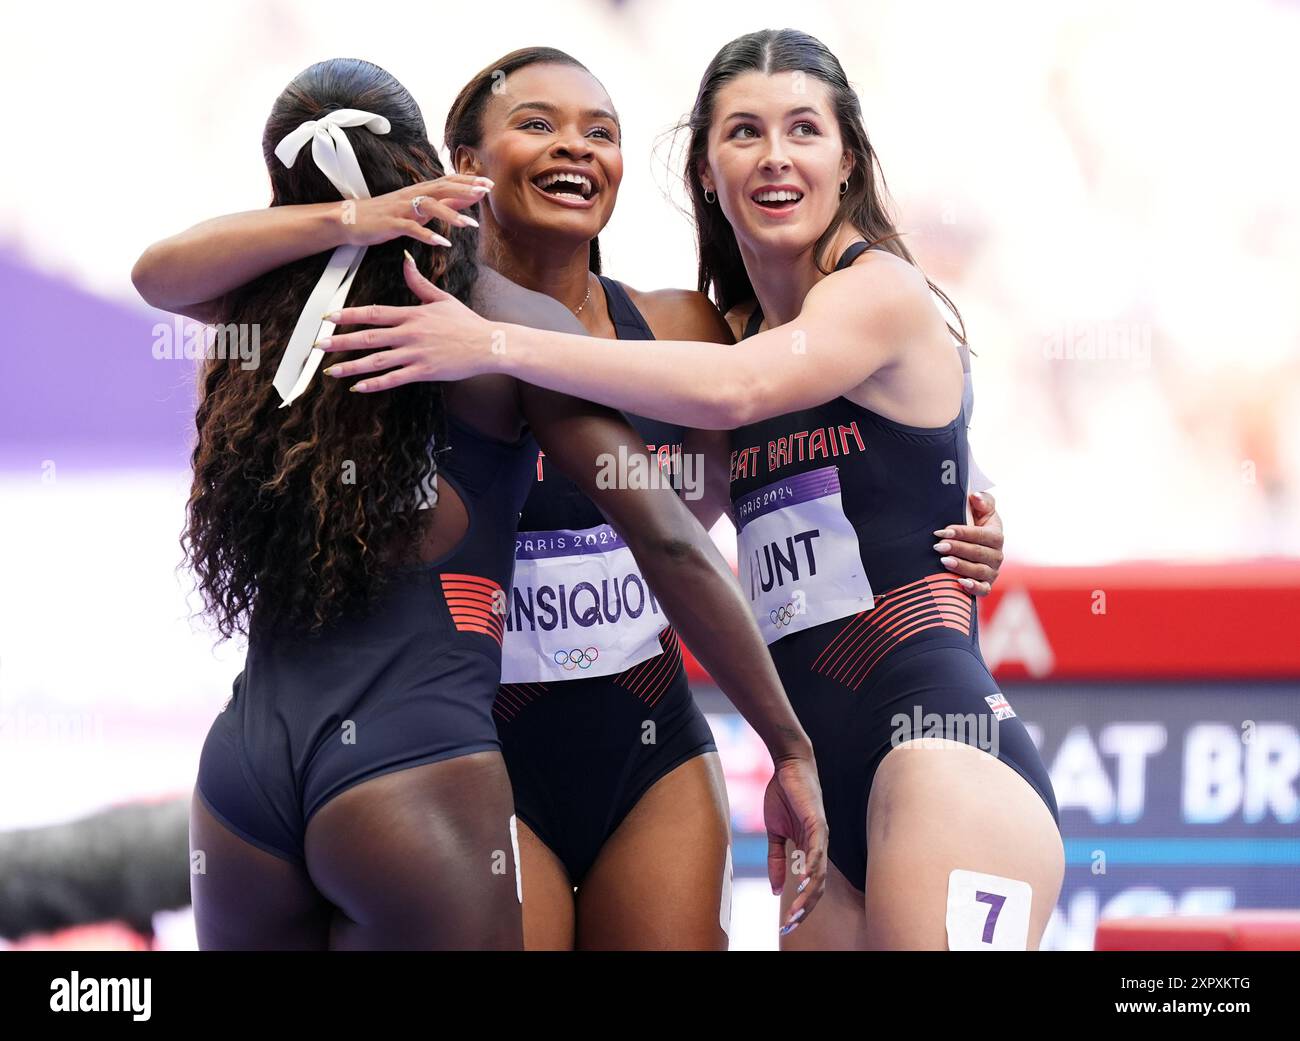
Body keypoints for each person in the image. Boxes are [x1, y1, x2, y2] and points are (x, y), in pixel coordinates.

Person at [317, 30, 1065, 950]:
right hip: (827, 805)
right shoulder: (730, 334)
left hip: (945, 761)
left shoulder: (872, 297)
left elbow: (750, 391)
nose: (776, 156)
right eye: (745, 133)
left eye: (804, 130)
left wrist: (493, 342)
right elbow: (664, 523)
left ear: (848, 160)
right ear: (706, 171)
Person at [134, 56, 827, 950]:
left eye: (600, 128)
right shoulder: (487, 321)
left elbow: (157, 273)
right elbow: (674, 545)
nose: (573, 143)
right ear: (449, 163)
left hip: (257, 779)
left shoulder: (277, 318)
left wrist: (956, 504)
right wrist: (792, 742)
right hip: (437, 767)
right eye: (536, 123)